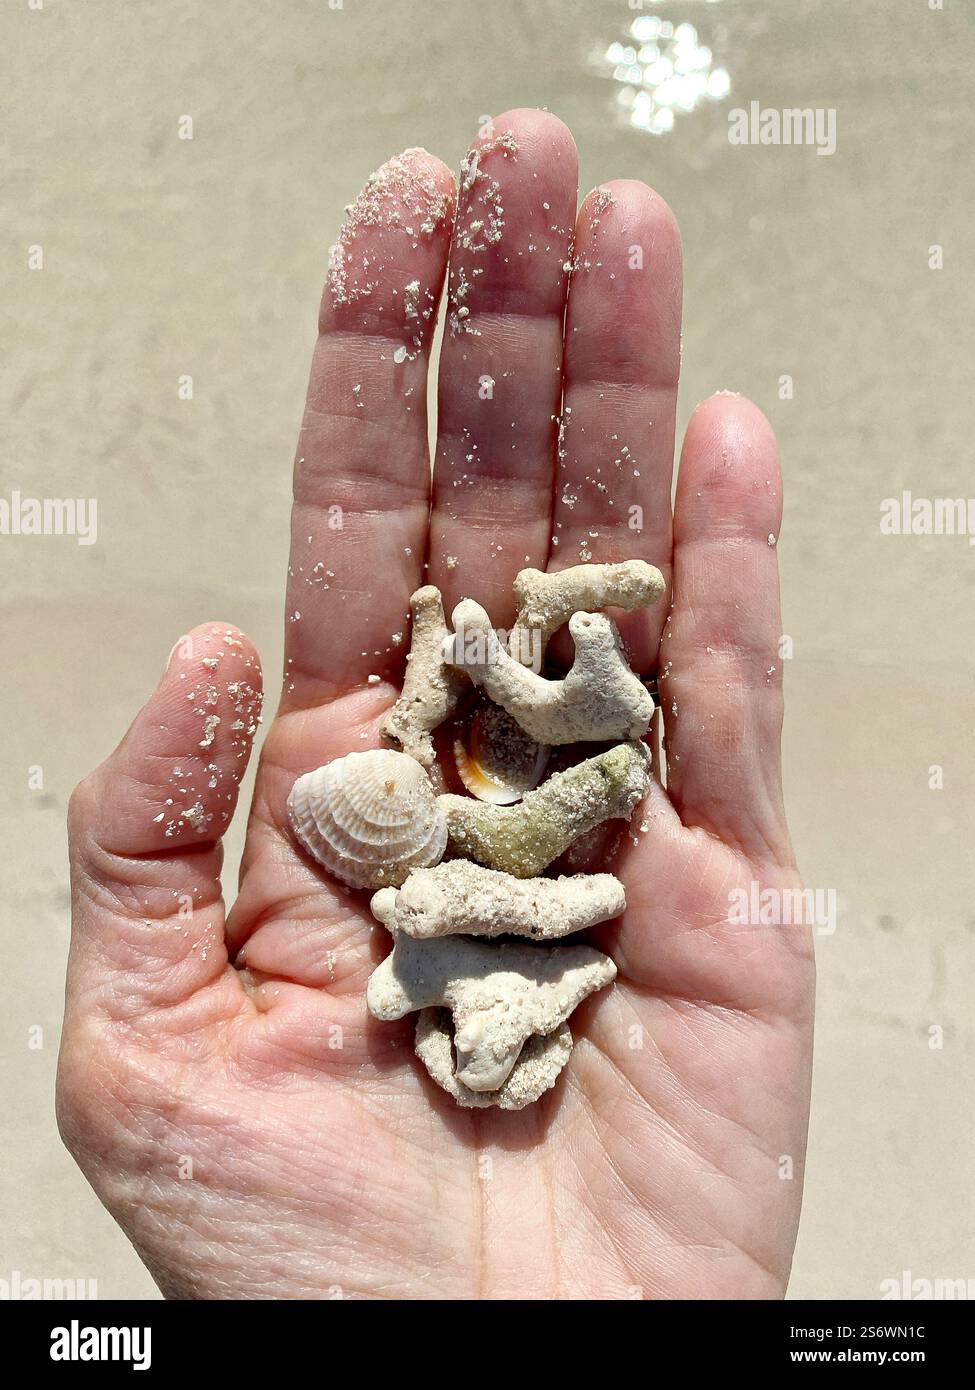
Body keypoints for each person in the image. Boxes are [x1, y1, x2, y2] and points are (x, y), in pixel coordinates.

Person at [58, 109, 814, 1300]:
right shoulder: (446, 894)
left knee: (566, 765)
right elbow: (466, 876)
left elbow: (511, 842)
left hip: (495, 801)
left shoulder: (509, 860)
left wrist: (478, 695)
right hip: (477, 812)